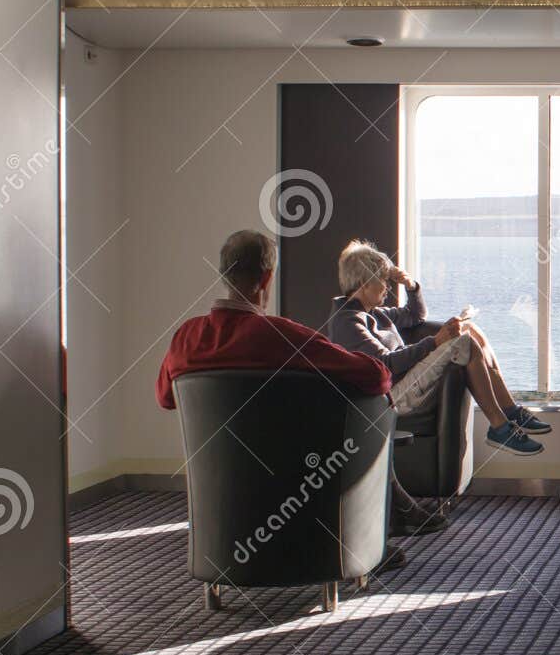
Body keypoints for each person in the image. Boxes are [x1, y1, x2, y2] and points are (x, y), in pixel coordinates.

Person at [157, 230, 444, 566]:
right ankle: (356, 545)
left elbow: (166, 397)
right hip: (293, 478)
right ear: (267, 278)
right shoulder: (281, 335)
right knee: (362, 413)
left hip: (221, 487)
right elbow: (375, 375)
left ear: (225, 274)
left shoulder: (185, 337)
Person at [326, 240, 550, 457]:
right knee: (465, 343)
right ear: (365, 284)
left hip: (405, 380)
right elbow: (386, 364)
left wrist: (411, 287)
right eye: (383, 280)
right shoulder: (348, 321)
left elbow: (416, 315)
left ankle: (510, 409)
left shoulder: (374, 312)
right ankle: (499, 428)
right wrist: (435, 341)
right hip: (392, 395)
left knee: (470, 329)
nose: (387, 287)